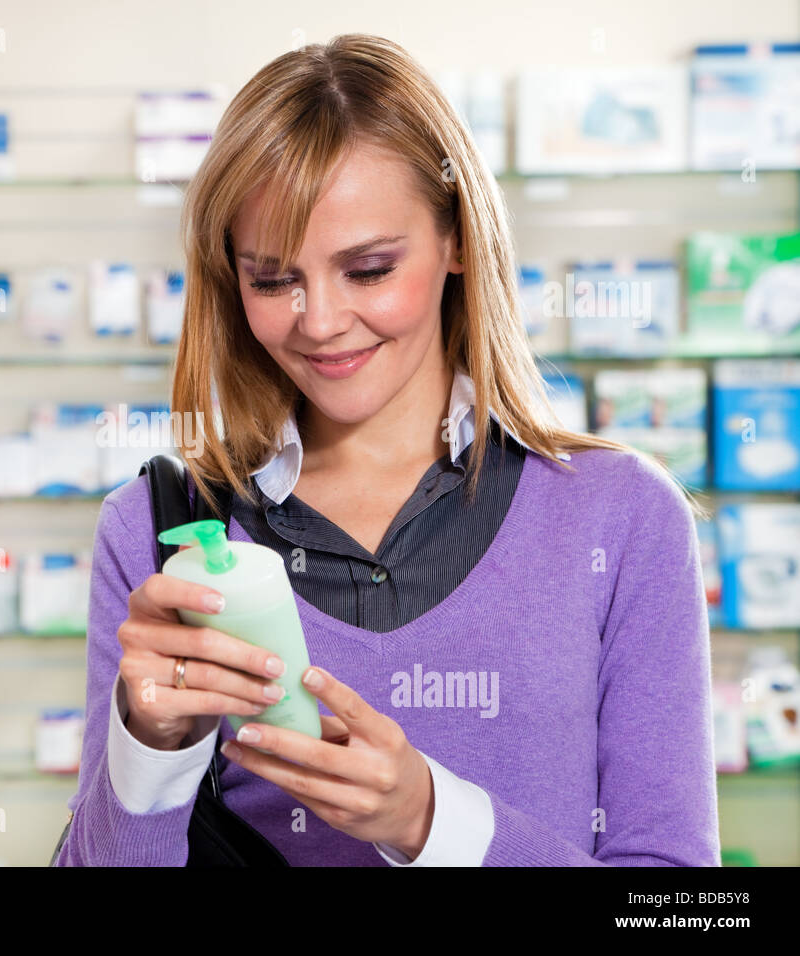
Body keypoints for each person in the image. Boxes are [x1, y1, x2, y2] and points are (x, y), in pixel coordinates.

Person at [52, 34, 719, 866]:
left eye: (367, 269)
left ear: (458, 241)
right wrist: (149, 744)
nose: (319, 320)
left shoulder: (621, 515)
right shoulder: (160, 530)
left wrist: (432, 822)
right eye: (271, 279)